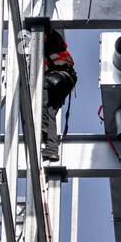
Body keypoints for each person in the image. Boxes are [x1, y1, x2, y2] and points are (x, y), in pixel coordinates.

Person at [41, 26, 77, 163]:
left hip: (61, 77)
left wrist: (45, 30)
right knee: (49, 112)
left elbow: (53, 38)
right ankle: (51, 149)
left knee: (41, 87)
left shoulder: (53, 41)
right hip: (60, 83)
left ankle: (42, 128)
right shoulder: (38, 55)